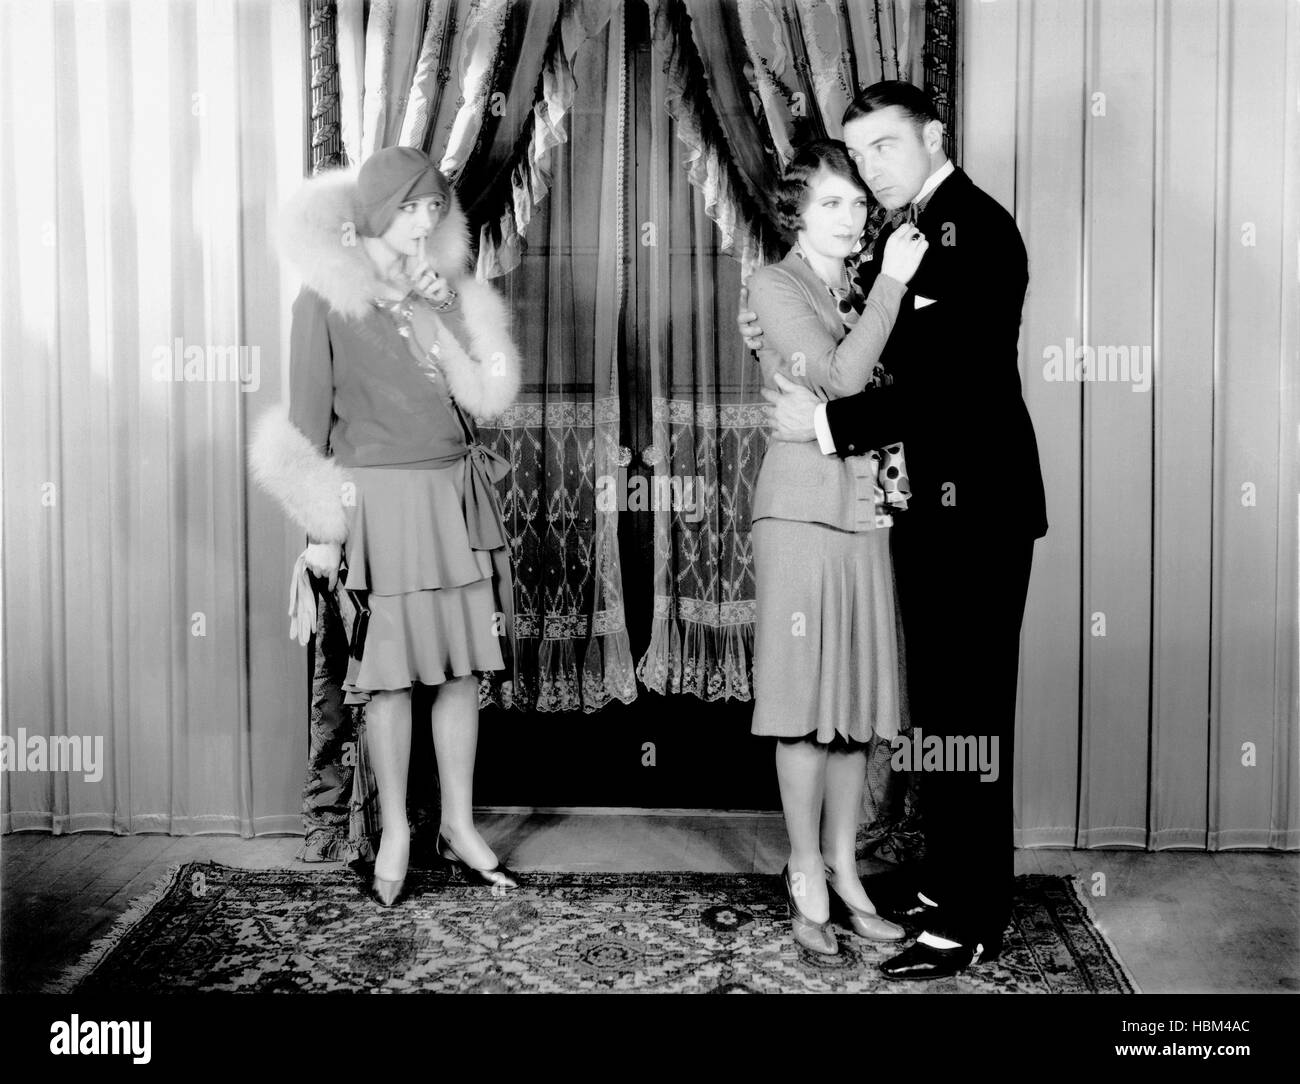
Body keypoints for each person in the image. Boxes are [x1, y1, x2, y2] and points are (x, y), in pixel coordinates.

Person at [740, 82, 1048, 978]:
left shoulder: (976, 228)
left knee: (971, 712)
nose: (871, 167)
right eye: (857, 153)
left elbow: (955, 388)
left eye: (884, 145)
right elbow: (857, 348)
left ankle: (973, 917)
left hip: (978, 509)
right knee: (942, 707)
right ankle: (951, 876)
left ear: (932, 135)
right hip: (923, 509)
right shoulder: (911, 231)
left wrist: (828, 428)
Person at [251, 146, 523, 905]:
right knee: (394, 681)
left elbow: (484, 395)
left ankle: (460, 826)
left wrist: (450, 309)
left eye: (433, 206)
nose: (425, 221)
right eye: (410, 206)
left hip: (449, 497)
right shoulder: (322, 300)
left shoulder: (431, 293)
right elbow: (304, 431)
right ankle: (399, 829)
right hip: (380, 506)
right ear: (373, 212)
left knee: (464, 670)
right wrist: (320, 535)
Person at [748, 139, 929, 955]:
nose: (853, 217)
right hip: (798, 514)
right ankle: (805, 870)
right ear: (796, 213)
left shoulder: (858, 291)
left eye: (860, 203)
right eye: (832, 203)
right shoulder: (773, 286)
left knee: (854, 710)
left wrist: (881, 294)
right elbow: (844, 382)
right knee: (804, 707)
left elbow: (898, 397)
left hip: (865, 513)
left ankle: (846, 869)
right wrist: (894, 280)